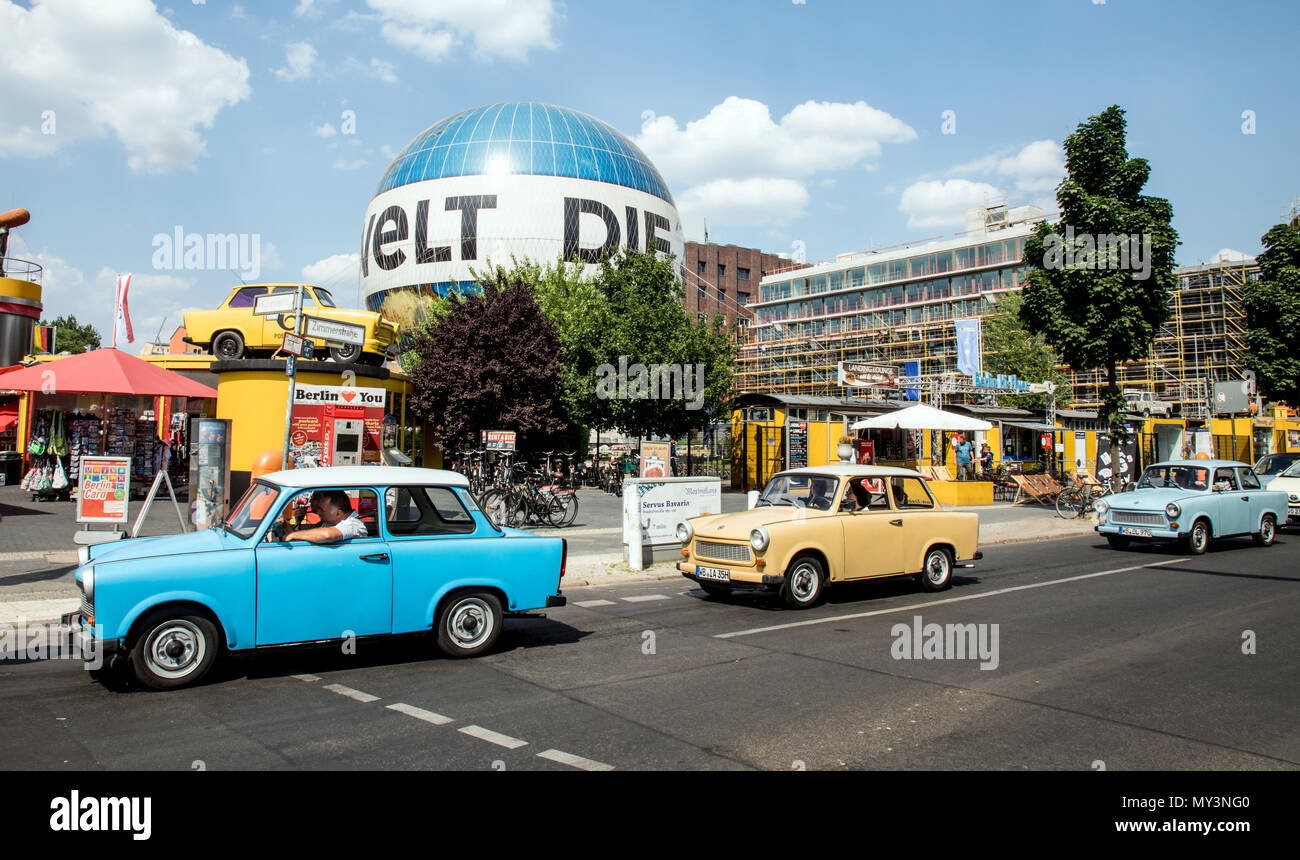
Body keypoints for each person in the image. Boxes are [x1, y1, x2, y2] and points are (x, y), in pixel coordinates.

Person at [283, 490, 368, 543]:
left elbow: (327, 535)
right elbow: (302, 537)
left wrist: (293, 535)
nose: (318, 512)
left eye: (321, 509)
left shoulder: (353, 524)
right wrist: (286, 524)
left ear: (338, 513)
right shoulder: (329, 523)